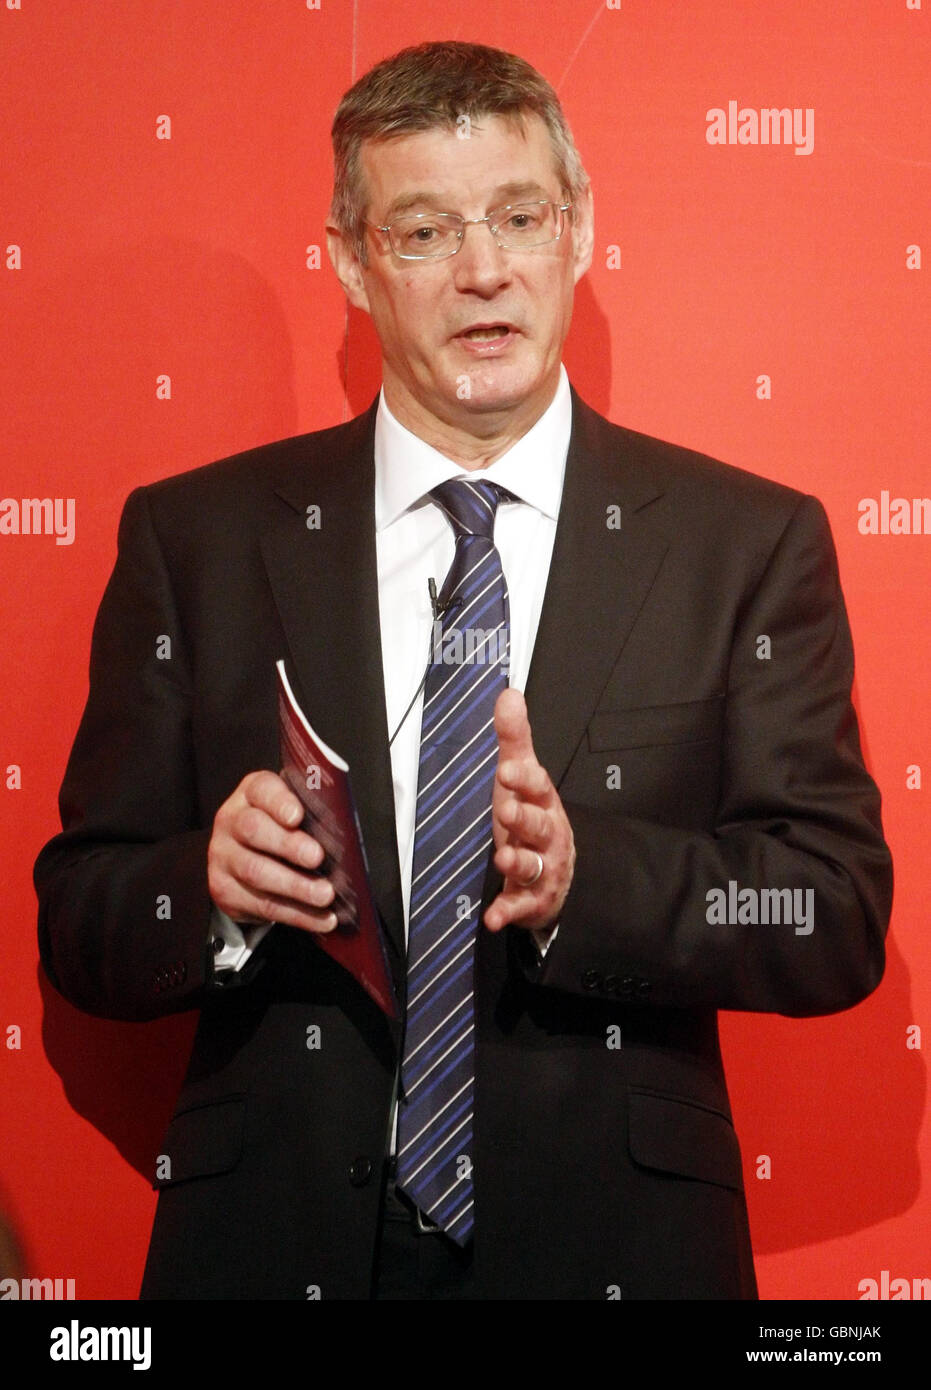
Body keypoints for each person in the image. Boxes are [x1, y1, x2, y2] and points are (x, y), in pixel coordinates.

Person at [34, 41, 892, 1300]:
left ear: (579, 229)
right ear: (349, 261)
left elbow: (827, 911)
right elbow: (83, 916)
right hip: (272, 1250)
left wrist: (590, 877)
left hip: (614, 1254)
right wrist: (208, 889)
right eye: (426, 230)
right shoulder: (198, 540)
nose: (483, 269)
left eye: (517, 216)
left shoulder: (743, 543)